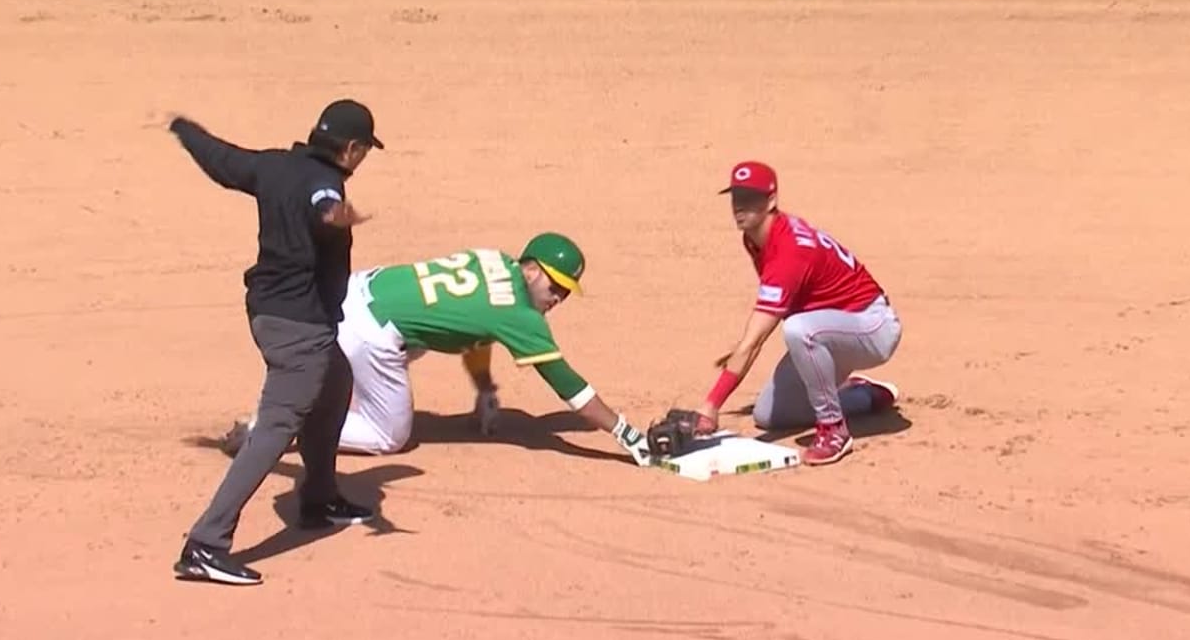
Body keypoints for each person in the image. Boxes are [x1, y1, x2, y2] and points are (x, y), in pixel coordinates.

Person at [168, 98, 384, 586]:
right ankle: (206, 543)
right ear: (351, 148)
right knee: (276, 427)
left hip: (270, 311)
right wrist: (335, 216)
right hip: (299, 326)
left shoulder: (273, 166)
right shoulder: (325, 184)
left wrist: (185, 129)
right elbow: (322, 205)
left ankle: (319, 497)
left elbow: (222, 160)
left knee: (336, 380)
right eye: (365, 149)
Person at [222, 234, 660, 466]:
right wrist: (625, 434)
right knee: (389, 437)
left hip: (352, 291)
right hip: (369, 333)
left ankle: (333, 390)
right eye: (555, 285)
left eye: (566, 292)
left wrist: (484, 388)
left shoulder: (495, 262)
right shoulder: (521, 316)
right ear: (529, 269)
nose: (558, 298)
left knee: (419, 339)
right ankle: (279, 428)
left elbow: (473, 326)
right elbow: (568, 385)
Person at [690, 161, 903, 466]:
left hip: (871, 326)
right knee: (770, 415)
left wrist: (711, 405)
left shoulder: (789, 249)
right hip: (832, 329)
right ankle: (866, 396)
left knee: (798, 329)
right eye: (737, 198)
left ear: (771, 200)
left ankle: (834, 431)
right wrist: (745, 345)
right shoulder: (755, 238)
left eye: (750, 198)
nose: (741, 207)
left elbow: (758, 338)